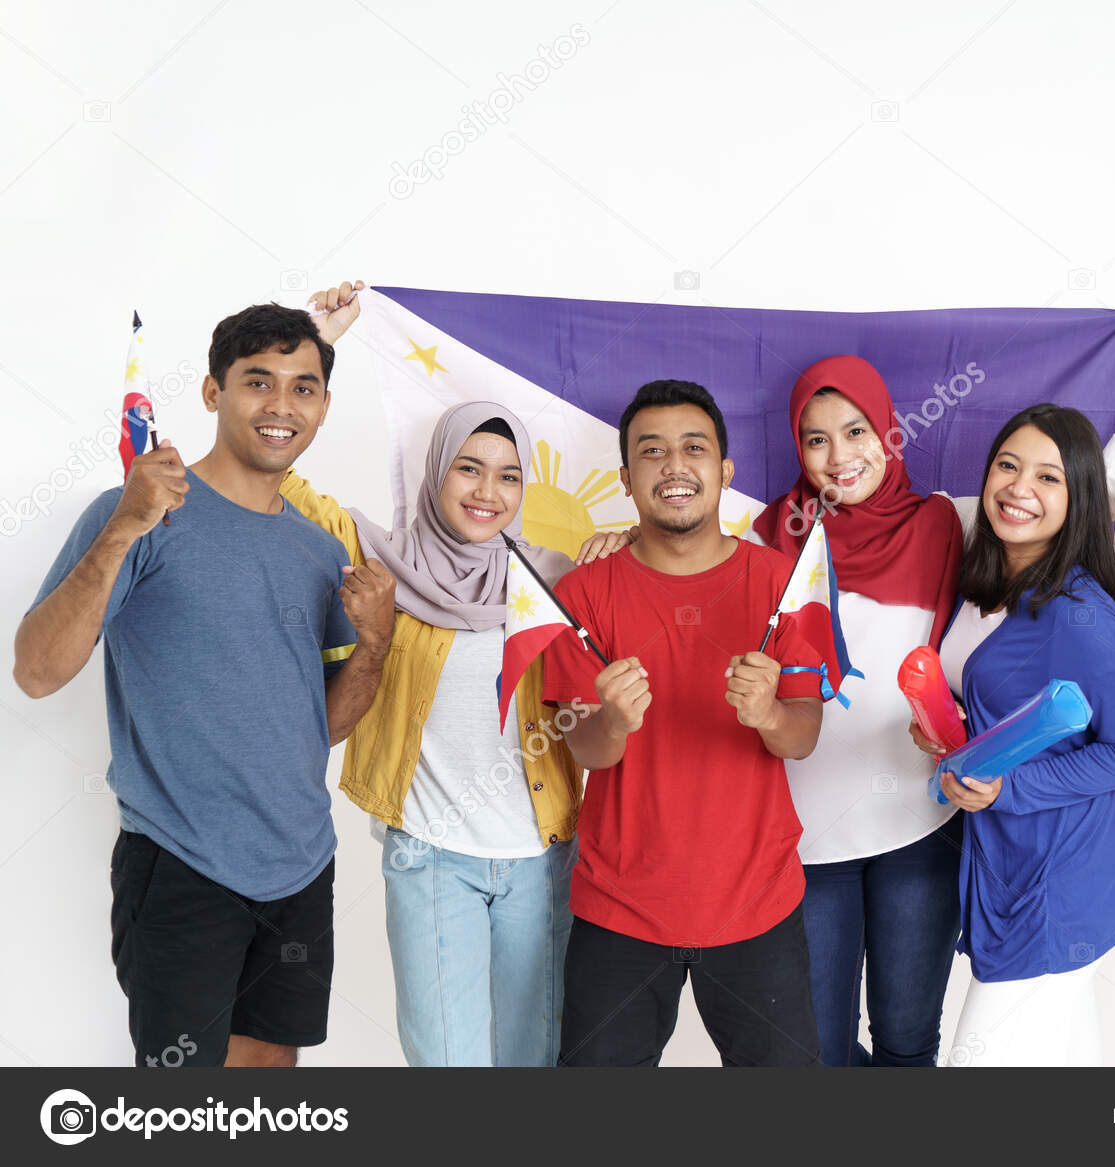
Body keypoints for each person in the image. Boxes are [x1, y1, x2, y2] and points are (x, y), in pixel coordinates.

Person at [584, 307, 1115, 1067]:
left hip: (922, 827)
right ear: (796, 448)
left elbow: (1087, 488)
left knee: (907, 1042)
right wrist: (616, 540)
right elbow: (682, 540)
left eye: (857, 432)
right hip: (809, 837)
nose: (839, 457)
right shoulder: (771, 536)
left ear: (890, 433)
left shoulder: (942, 523)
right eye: (816, 438)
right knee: (824, 1050)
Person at [13, 303, 394, 1067]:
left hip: (299, 864)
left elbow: (319, 727)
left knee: (266, 1086)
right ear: (214, 393)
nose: (282, 405)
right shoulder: (142, 513)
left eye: (304, 387)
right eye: (258, 382)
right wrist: (126, 525)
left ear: (322, 405)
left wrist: (376, 642)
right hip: (183, 861)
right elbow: (35, 670)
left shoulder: (320, 551)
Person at [299, 282, 583, 1066]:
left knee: (533, 1060)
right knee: (448, 1065)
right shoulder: (382, 558)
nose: (487, 492)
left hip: (540, 855)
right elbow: (283, 486)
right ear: (436, 473)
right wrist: (317, 345)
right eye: (468, 468)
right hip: (427, 855)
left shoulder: (555, 578)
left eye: (507, 475)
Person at [542, 379, 828, 1067]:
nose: (675, 464)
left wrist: (767, 714)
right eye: (652, 451)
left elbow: (805, 734)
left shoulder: (784, 582)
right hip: (620, 907)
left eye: (694, 447)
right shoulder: (583, 593)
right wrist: (611, 721)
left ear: (724, 471)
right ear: (627, 478)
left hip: (758, 902)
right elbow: (584, 748)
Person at [913, 404, 1115, 1066]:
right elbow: (1000, 707)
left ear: (1077, 498)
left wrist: (1007, 786)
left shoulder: (1076, 611)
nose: (1020, 488)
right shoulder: (984, 584)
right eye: (1008, 465)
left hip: (1060, 877)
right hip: (1008, 865)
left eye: (1049, 477)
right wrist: (946, 730)